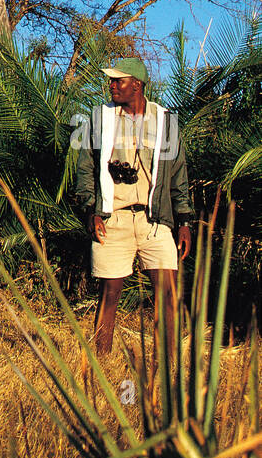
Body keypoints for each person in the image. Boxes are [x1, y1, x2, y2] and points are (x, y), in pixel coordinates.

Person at [75, 58, 193, 359]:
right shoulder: (100, 119)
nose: (111, 86)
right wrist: (91, 212)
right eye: (111, 81)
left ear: (137, 85)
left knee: (167, 292)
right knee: (110, 293)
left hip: (155, 221)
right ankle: (101, 362)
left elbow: (178, 175)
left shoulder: (165, 121)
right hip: (113, 218)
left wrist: (183, 222)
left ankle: (166, 365)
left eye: (119, 81)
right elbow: (85, 170)